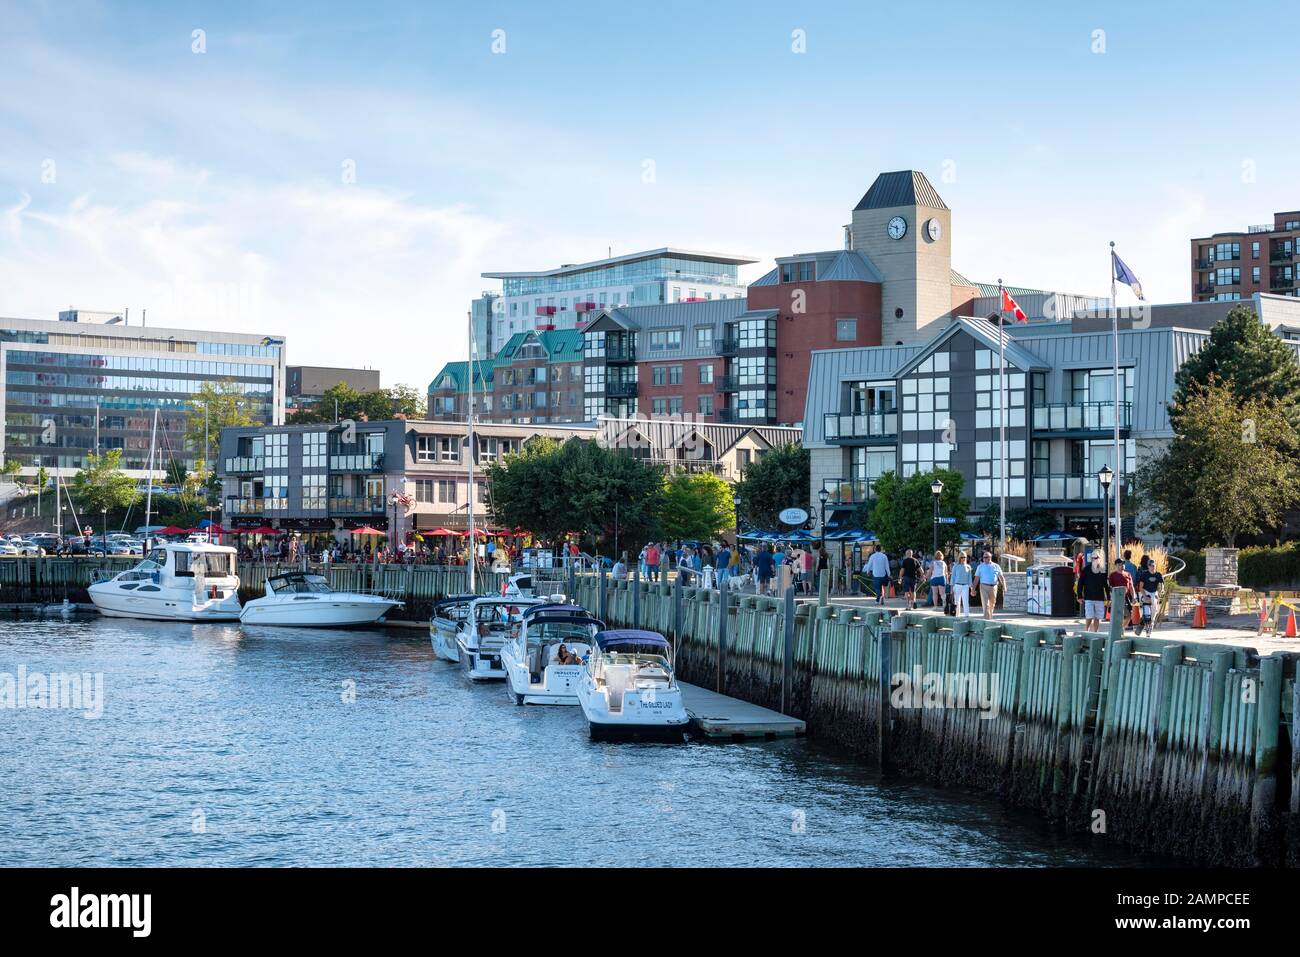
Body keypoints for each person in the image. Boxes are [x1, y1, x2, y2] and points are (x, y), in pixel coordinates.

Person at [1077, 553, 1108, 632]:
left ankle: (1095, 632)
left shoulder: (1102, 570)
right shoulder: (1086, 569)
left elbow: (1106, 585)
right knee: (1089, 616)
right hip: (1089, 597)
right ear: (1091, 559)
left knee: (1097, 617)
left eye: (1097, 558)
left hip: (1099, 597)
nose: (1095, 559)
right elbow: (1080, 583)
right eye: (1094, 558)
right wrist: (1079, 596)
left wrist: (1108, 597)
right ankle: (1086, 630)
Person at [974, 551, 1006, 621]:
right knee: (986, 605)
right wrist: (973, 589)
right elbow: (976, 578)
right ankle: (987, 621)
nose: (984, 559)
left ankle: (989, 618)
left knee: (992, 604)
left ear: (990, 558)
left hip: (994, 587)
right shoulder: (980, 567)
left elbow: (1001, 577)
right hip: (984, 586)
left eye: (986, 557)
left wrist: (1004, 586)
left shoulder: (996, 566)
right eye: (983, 557)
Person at [1109, 558, 1137, 628]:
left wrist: (1134, 597)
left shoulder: (1128, 574)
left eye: (1123, 564)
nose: (1122, 566)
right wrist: (1111, 599)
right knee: (1119, 615)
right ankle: (1118, 630)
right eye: (1120, 564)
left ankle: (1121, 629)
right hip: (1117, 598)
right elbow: (1110, 588)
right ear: (1116, 565)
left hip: (1126, 597)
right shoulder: (1112, 575)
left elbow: (1131, 587)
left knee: (1129, 615)